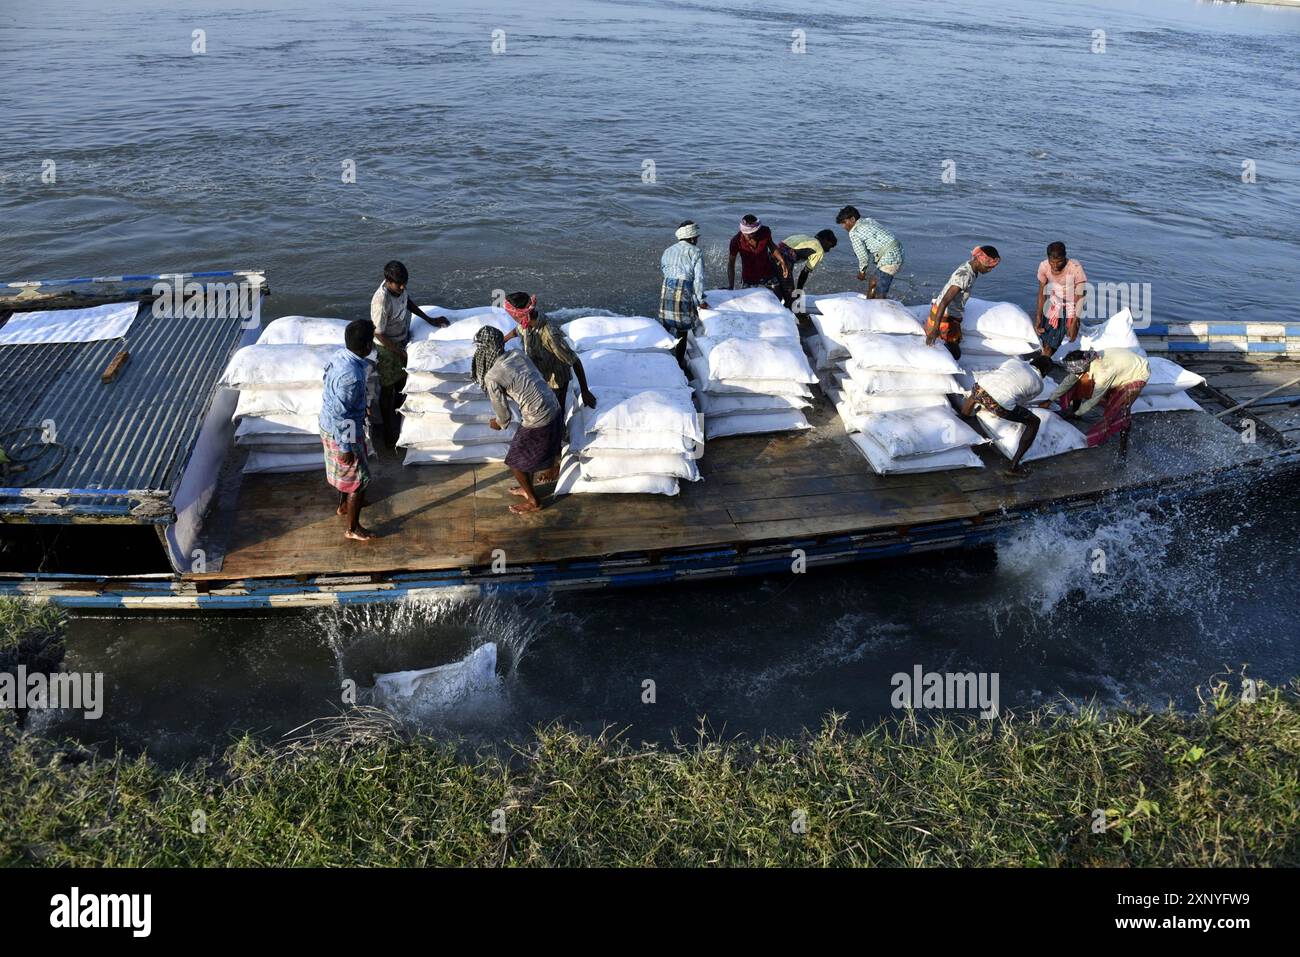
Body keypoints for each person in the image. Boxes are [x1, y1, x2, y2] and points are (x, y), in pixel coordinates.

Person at [501, 291, 597, 482]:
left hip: (555, 383)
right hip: (540, 379)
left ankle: (556, 465)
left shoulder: (549, 334)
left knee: (554, 423)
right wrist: (502, 340)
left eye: (510, 312)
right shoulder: (526, 321)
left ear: (519, 313)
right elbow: (518, 330)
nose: (509, 315)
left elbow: (574, 361)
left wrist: (585, 391)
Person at [473, 326, 564, 515]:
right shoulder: (517, 353)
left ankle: (534, 501)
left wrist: (497, 423)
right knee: (525, 456)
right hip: (554, 405)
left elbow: (504, 416)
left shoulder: (492, 376)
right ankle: (528, 487)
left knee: (515, 462)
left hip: (538, 417)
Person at [370, 260, 449, 448]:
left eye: (405, 282)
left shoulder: (399, 288)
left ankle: (401, 423)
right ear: (388, 281)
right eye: (399, 284)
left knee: (402, 386)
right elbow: (378, 333)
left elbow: (408, 303)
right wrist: (401, 353)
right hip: (386, 347)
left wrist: (430, 319)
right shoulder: (381, 301)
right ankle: (390, 436)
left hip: (401, 341)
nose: (403, 286)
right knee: (388, 391)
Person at [319, 319, 377, 541]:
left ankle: (343, 506)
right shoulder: (352, 375)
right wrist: (345, 446)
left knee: (346, 474)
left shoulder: (340, 356)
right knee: (359, 480)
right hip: (345, 432)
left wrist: (363, 408)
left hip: (331, 426)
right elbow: (342, 414)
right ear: (366, 346)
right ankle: (353, 528)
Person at [961, 355, 1055, 475]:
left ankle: (963, 419)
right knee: (1034, 422)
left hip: (980, 389)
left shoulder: (1014, 361)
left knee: (976, 394)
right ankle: (1013, 467)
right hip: (999, 405)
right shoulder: (1039, 385)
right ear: (1045, 372)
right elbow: (1020, 401)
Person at [1047, 348, 1150, 453]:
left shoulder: (1102, 373)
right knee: (1078, 383)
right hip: (1120, 367)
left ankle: (1122, 444)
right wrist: (1050, 399)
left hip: (1138, 373)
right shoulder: (1088, 359)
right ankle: (1076, 411)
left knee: (1118, 408)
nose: (1074, 373)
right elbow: (1069, 380)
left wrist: (1078, 413)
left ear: (1082, 367)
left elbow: (1094, 400)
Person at [925, 245, 1001, 360]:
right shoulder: (965, 276)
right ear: (981, 260)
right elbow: (945, 300)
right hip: (944, 317)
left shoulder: (971, 268)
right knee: (955, 354)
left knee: (956, 344)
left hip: (951, 314)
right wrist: (935, 328)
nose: (990, 270)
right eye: (989, 267)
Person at [659, 221, 710, 363]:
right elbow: (698, 278)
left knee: (666, 324)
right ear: (693, 238)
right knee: (682, 330)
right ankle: (679, 363)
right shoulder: (696, 252)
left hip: (667, 288)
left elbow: (664, 269)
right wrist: (701, 300)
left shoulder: (668, 250)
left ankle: (661, 354)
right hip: (684, 291)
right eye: (696, 238)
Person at [835, 205, 905, 299]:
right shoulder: (869, 220)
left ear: (852, 219)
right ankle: (869, 304)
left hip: (889, 257)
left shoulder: (854, 232)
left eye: (844, 222)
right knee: (873, 282)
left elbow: (863, 256)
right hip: (898, 250)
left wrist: (862, 271)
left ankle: (879, 309)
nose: (843, 226)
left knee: (880, 291)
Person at [1033, 241, 1088, 357]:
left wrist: (1074, 322)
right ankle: (1046, 356)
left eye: (1059, 262)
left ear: (1065, 256)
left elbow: (1081, 296)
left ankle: (1047, 358)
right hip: (1054, 303)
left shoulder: (1075, 268)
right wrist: (1038, 317)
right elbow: (1042, 293)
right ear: (1048, 259)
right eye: (1052, 262)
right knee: (1045, 337)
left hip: (1071, 305)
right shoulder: (1044, 266)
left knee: (1057, 340)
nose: (1055, 266)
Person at [770, 229, 838, 309]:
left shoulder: (803, 237)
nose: (828, 250)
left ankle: (776, 306)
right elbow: (805, 272)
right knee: (791, 296)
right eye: (830, 246)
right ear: (825, 240)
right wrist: (799, 290)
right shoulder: (819, 250)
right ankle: (786, 315)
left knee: (779, 288)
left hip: (772, 255)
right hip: (784, 262)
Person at [726, 215, 776, 290]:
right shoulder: (736, 241)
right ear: (743, 231)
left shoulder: (764, 232)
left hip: (767, 273)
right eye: (748, 234)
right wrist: (731, 285)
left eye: (753, 233)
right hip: (748, 278)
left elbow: (772, 246)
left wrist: (782, 262)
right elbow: (731, 264)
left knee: (777, 295)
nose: (751, 235)